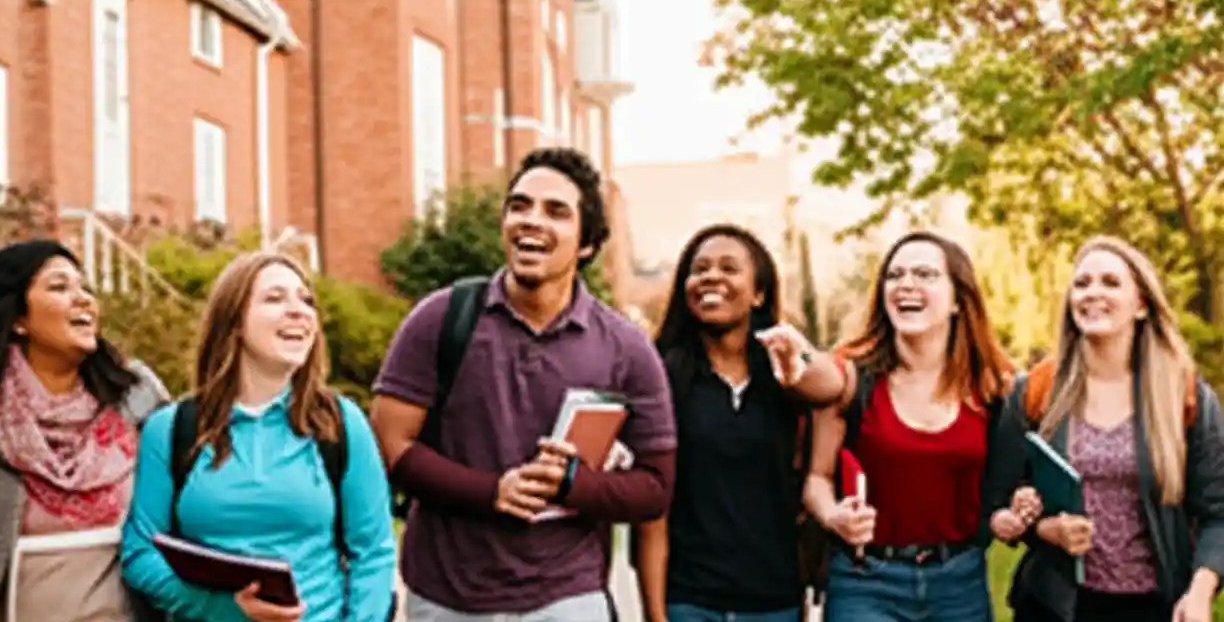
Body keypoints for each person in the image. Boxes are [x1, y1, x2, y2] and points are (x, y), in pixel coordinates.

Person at [371, 148, 677, 621]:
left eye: (556, 212)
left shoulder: (627, 348)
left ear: (587, 244)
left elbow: (655, 488)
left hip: (568, 597)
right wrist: (493, 491)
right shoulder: (439, 319)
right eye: (520, 206)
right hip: (447, 597)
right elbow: (392, 447)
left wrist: (572, 483)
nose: (531, 221)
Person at [122, 252, 396, 621]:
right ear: (233, 322)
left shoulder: (341, 424)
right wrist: (226, 610)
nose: (299, 310)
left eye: (306, 299)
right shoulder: (171, 430)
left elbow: (374, 553)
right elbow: (140, 553)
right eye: (274, 298)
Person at [990, 237, 1224, 622]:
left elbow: (1217, 511)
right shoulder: (1036, 390)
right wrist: (1044, 528)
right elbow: (999, 502)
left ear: (1142, 305)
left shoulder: (1184, 395)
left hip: (1154, 606)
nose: (1092, 293)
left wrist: (1200, 591)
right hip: (1055, 606)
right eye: (1082, 284)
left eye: (1111, 283)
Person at [633, 223, 849, 622]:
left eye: (729, 268)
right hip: (689, 601)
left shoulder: (784, 375)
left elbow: (834, 386)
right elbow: (653, 510)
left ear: (759, 293)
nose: (711, 277)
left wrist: (796, 360)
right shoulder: (663, 377)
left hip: (773, 602)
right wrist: (655, 615)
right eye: (699, 269)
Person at [0, 239, 168, 622]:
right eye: (59, 287)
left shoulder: (140, 402)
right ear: (18, 318)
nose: (83, 299)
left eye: (85, 288)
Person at [804, 230, 1019, 622]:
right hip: (865, 582)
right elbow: (816, 477)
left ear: (958, 300)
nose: (906, 284)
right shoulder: (851, 380)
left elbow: (1008, 482)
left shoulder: (992, 389)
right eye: (895, 274)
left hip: (959, 583)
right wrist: (835, 515)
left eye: (924, 274)